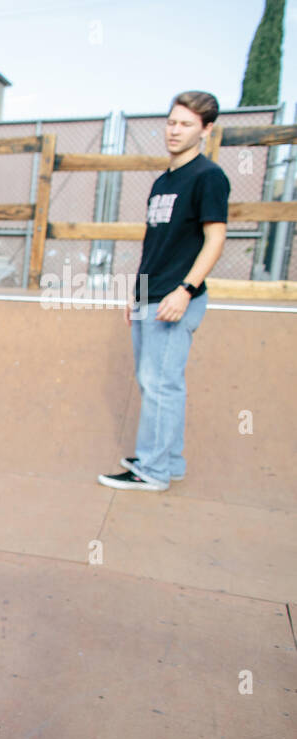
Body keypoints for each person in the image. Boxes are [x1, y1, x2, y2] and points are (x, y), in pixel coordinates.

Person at [99, 91, 229, 491]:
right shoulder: (164, 180)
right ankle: (167, 460)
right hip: (149, 294)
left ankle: (152, 471)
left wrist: (186, 290)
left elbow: (215, 238)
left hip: (175, 298)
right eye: (172, 122)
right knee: (153, 381)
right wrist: (136, 293)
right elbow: (155, 242)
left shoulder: (208, 177)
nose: (175, 130)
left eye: (186, 124)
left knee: (161, 383)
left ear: (205, 130)